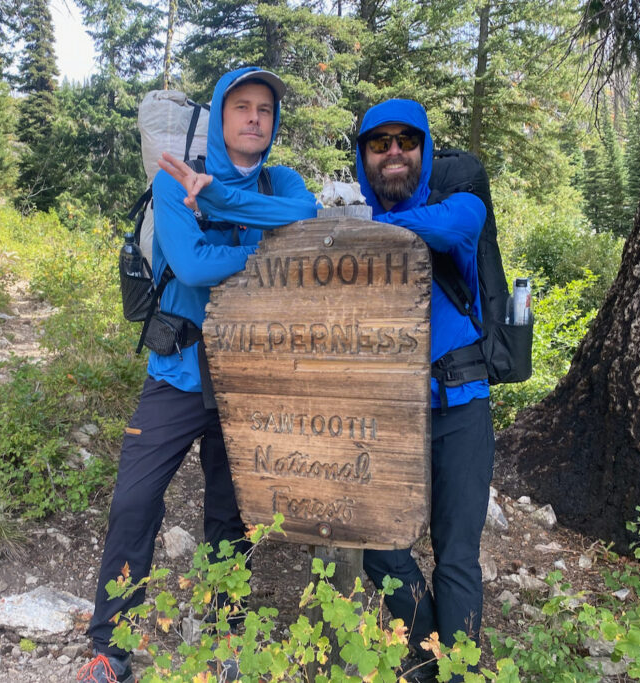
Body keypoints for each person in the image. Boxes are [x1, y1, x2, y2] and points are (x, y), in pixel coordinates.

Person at [77, 67, 318, 683]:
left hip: (247, 376)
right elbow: (187, 263)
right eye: (242, 106)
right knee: (134, 501)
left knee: (228, 512)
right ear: (219, 114)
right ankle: (111, 646)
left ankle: (222, 631)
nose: (255, 118)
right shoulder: (169, 177)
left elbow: (307, 212)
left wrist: (214, 197)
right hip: (178, 370)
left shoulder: (280, 181)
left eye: (265, 109)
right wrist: (269, 251)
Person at [354, 99, 494, 683]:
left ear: (425, 151)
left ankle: (452, 674)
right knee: (379, 547)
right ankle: (429, 655)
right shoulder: (346, 225)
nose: (393, 153)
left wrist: (366, 229)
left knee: (455, 552)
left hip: (460, 405)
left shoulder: (457, 205)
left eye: (406, 142)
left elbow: (449, 229)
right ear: (363, 156)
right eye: (379, 143)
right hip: (388, 414)